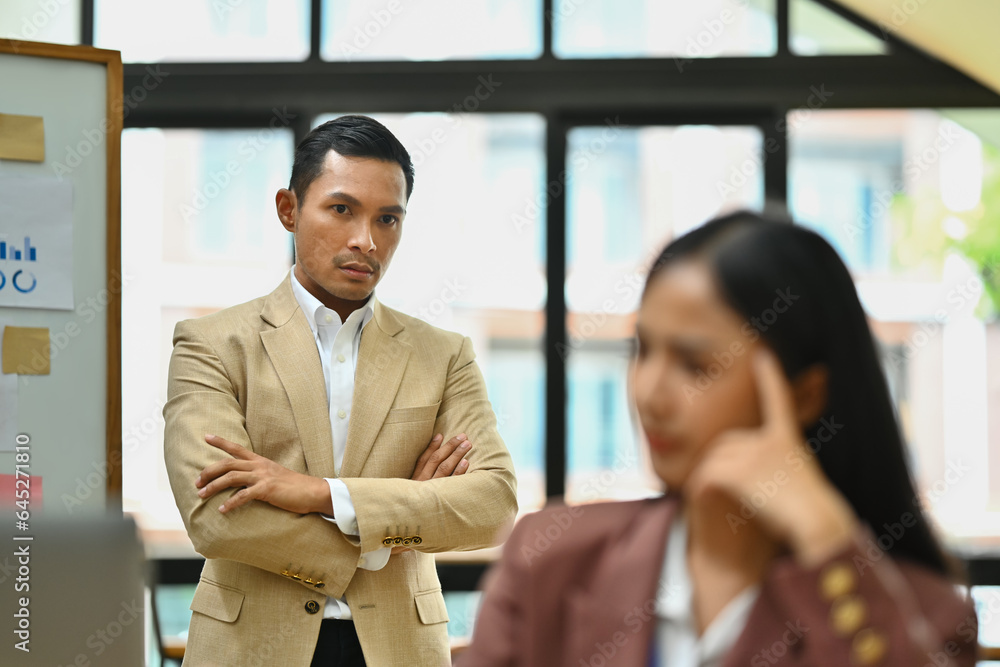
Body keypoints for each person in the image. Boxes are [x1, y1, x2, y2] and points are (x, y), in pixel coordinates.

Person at [461, 211, 977, 666]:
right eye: (643, 350)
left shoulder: (922, 615)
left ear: (803, 395)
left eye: (695, 365)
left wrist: (827, 539)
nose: (649, 394)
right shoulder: (550, 560)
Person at [163, 115, 517, 666]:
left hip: (401, 649)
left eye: (388, 219)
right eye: (341, 209)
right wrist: (385, 536)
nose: (365, 240)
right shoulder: (211, 344)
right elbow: (215, 515)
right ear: (289, 209)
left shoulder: (443, 355)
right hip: (250, 648)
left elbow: (493, 506)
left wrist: (320, 495)